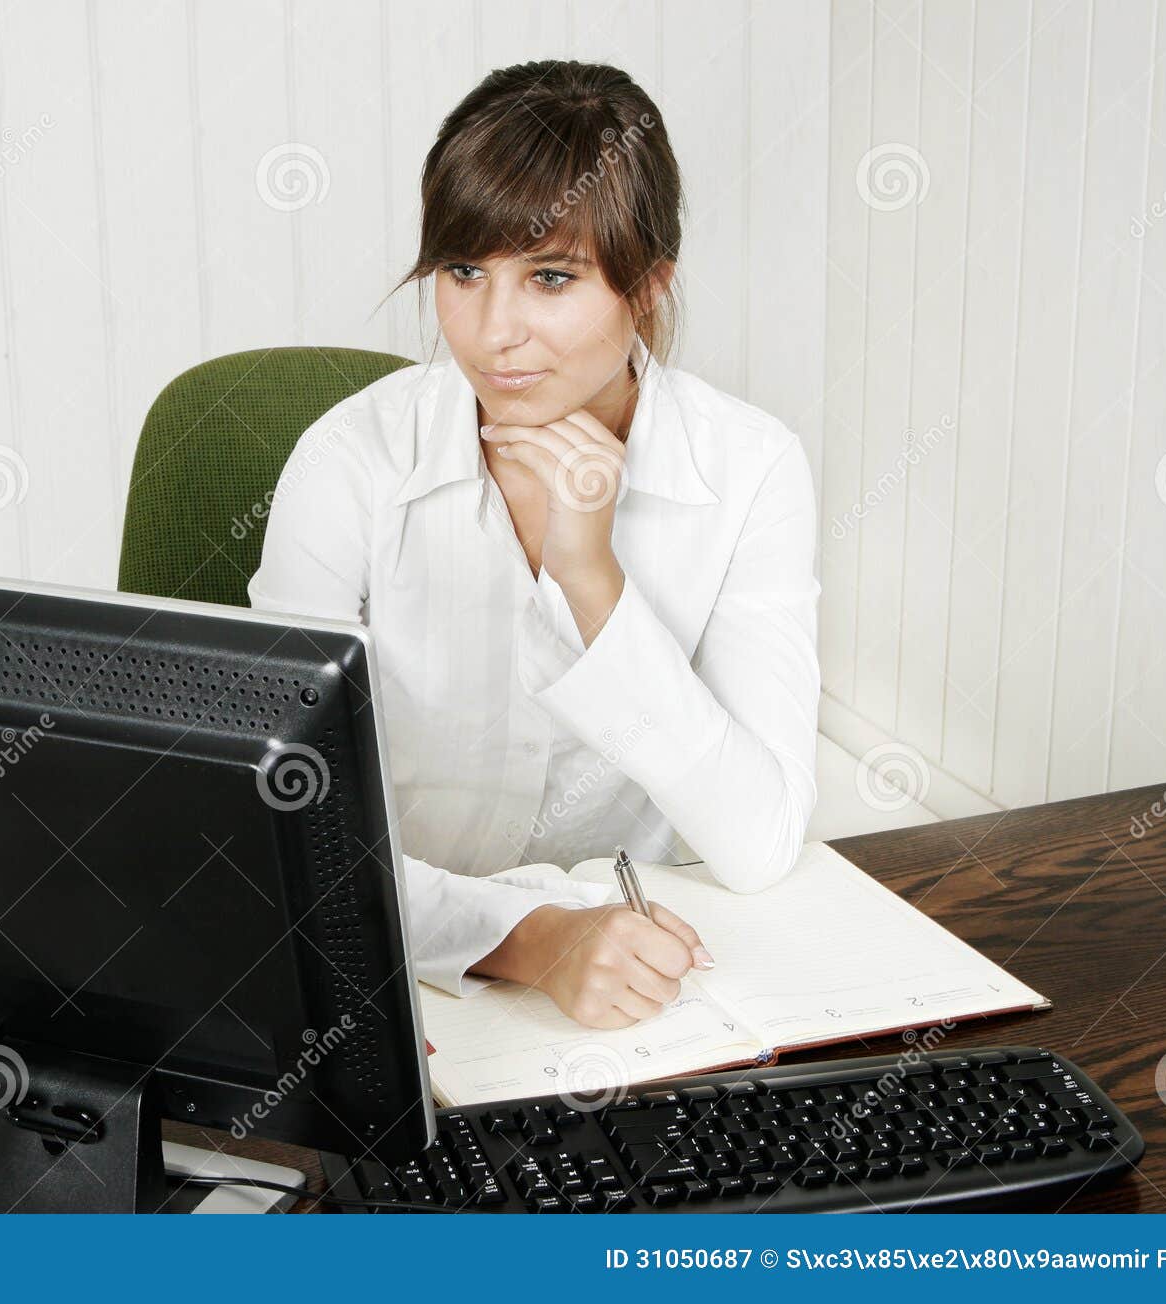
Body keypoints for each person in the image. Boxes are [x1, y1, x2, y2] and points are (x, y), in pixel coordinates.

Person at [247, 59, 820, 1030]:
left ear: (646, 286)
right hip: (381, 970)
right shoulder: (350, 459)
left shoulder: (751, 466)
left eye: (550, 277)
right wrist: (529, 938)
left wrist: (592, 577)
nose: (492, 331)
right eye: (464, 271)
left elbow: (756, 838)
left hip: (640, 984)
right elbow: (278, 823)